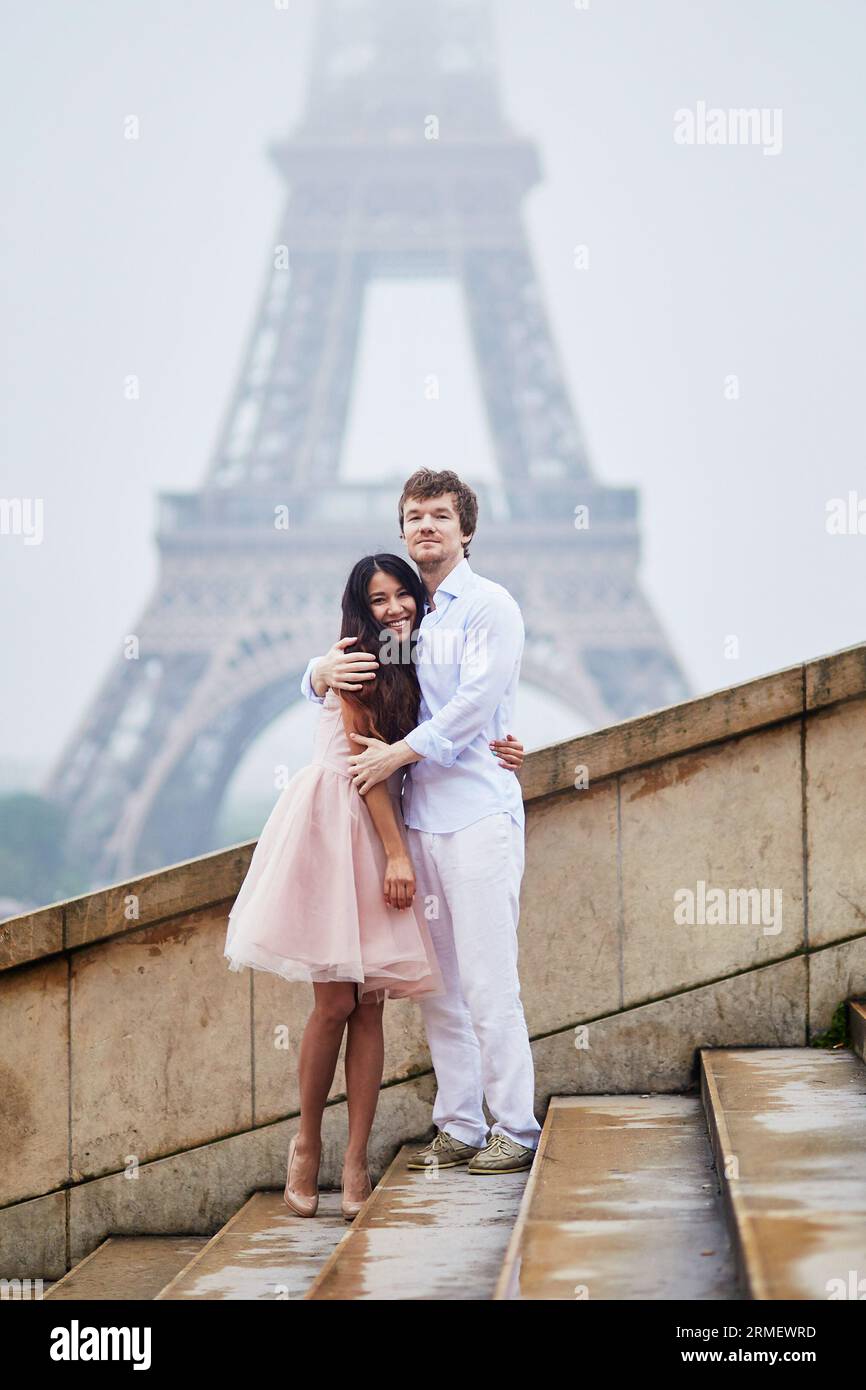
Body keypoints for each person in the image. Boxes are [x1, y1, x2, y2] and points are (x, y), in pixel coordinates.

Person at [224, 550, 525, 1220]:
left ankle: (355, 1158)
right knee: (334, 1004)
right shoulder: (357, 661)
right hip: (344, 830)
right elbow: (368, 771)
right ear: (361, 608)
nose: (394, 608)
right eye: (380, 599)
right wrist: (396, 856)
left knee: (372, 1008)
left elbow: (459, 717)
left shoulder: (415, 659)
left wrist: (505, 746)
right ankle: (306, 1145)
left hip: (393, 830)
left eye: (403, 596)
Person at [300, 467, 543, 1181]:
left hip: (475, 816)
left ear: (466, 530)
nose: (427, 526)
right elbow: (361, 686)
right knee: (438, 987)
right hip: (418, 822)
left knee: (490, 982)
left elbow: (473, 704)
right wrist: (316, 668)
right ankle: (461, 1123)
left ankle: (517, 1127)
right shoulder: (409, 619)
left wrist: (405, 751)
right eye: (415, 516)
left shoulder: (489, 608)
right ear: (402, 531)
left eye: (441, 515)